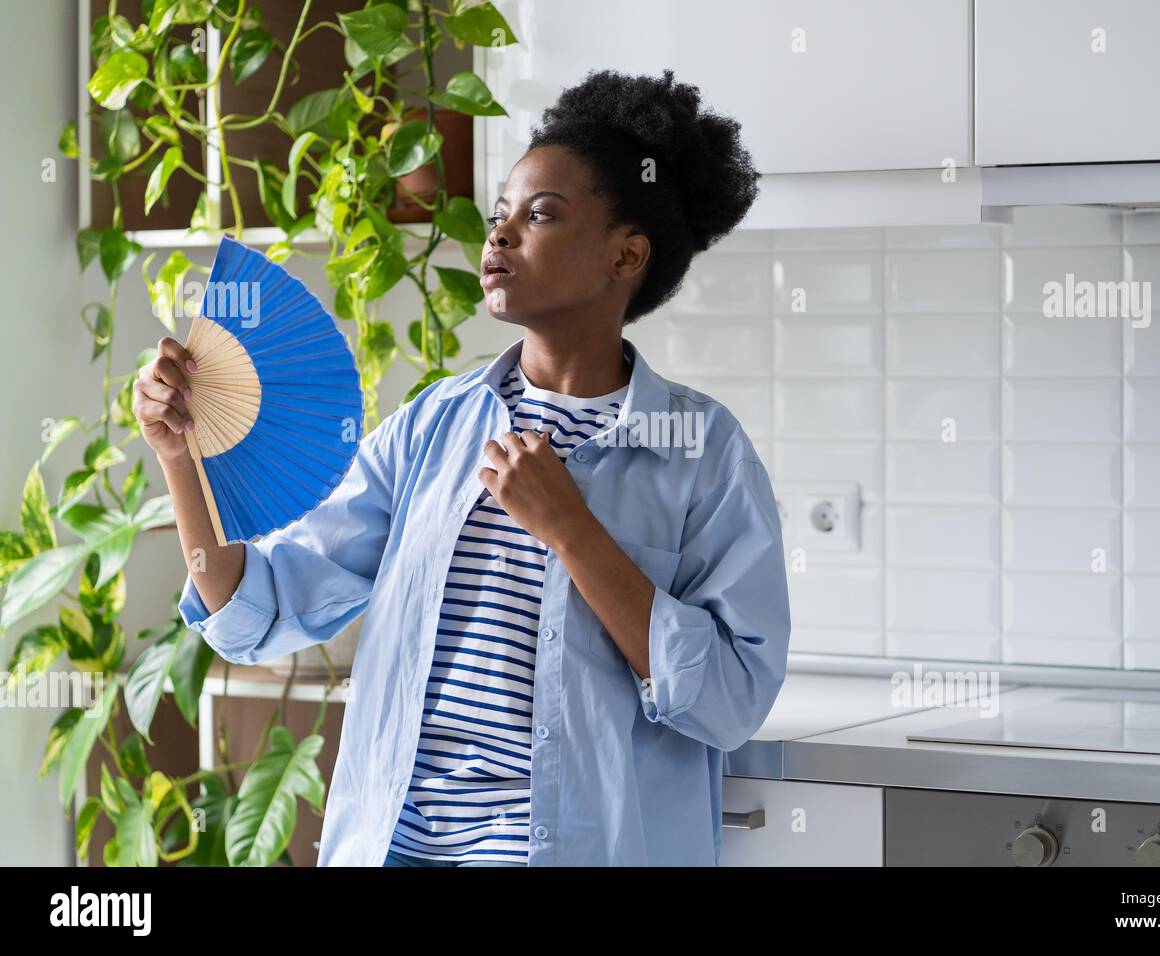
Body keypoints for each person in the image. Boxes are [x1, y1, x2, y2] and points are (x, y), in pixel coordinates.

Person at [135, 68, 790, 867]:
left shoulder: (705, 453)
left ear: (627, 254)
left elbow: (730, 701)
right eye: (498, 216)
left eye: (540, 214)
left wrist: (570, 530)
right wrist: (183, 459)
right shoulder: (433, 427)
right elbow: (258, 614)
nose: (500, 236)